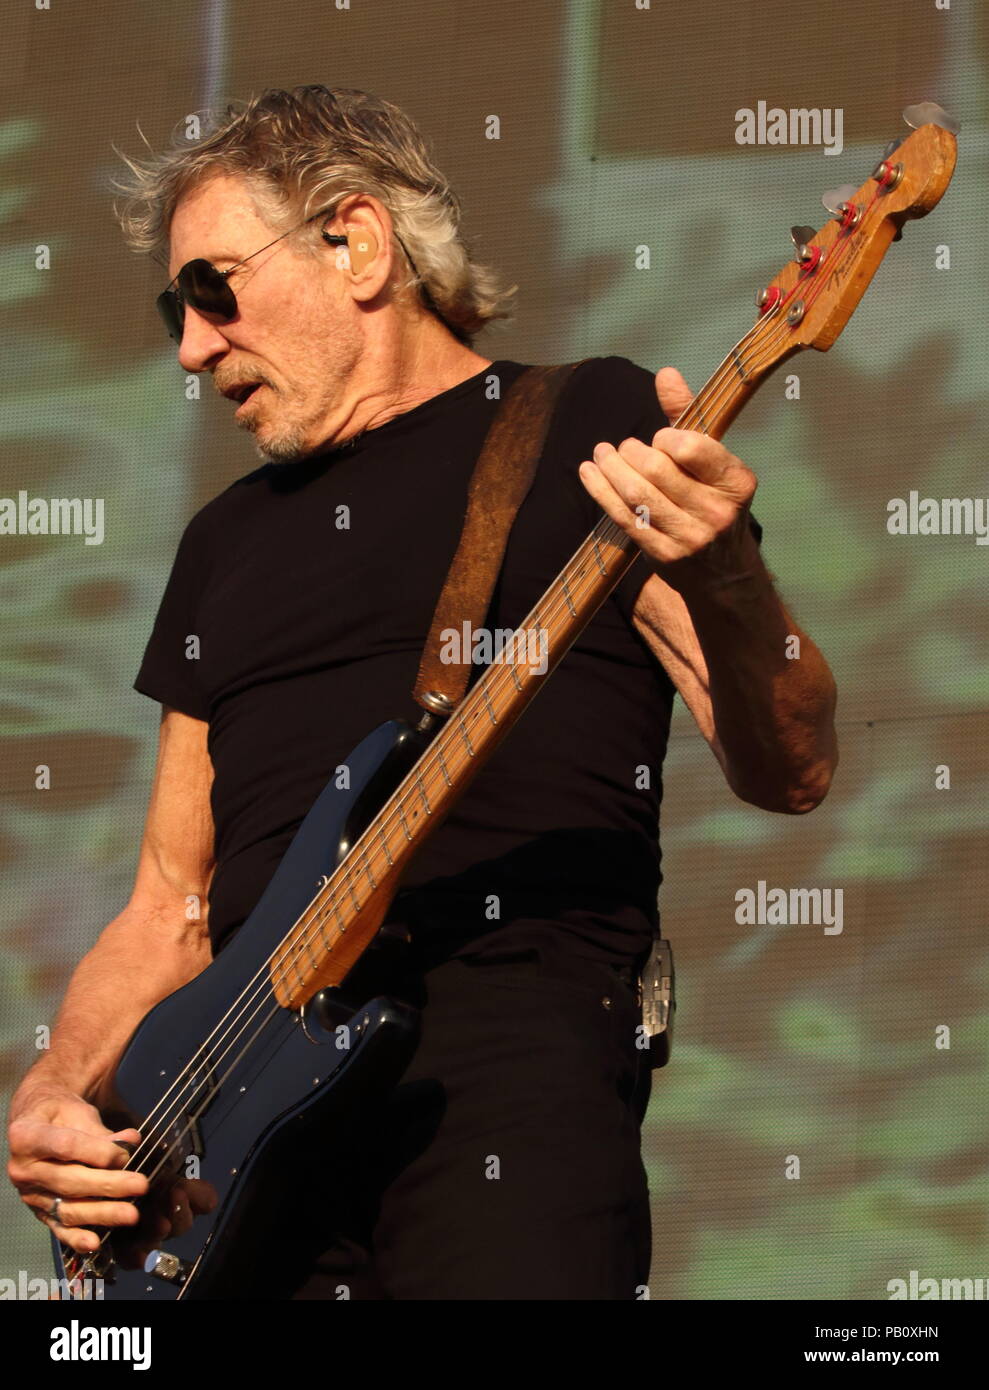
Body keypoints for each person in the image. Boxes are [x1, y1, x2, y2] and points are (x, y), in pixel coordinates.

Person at [6, 85, 838, 1299]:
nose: (190, 348)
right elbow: (170, 908)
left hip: (506, 1062)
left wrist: (729, 575)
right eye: (172, 309)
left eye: (213, 290)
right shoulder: (222, 542)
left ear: (355, 243)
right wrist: (51, 1090)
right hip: (231, 1137)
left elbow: (790, 767)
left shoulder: (585, 424)